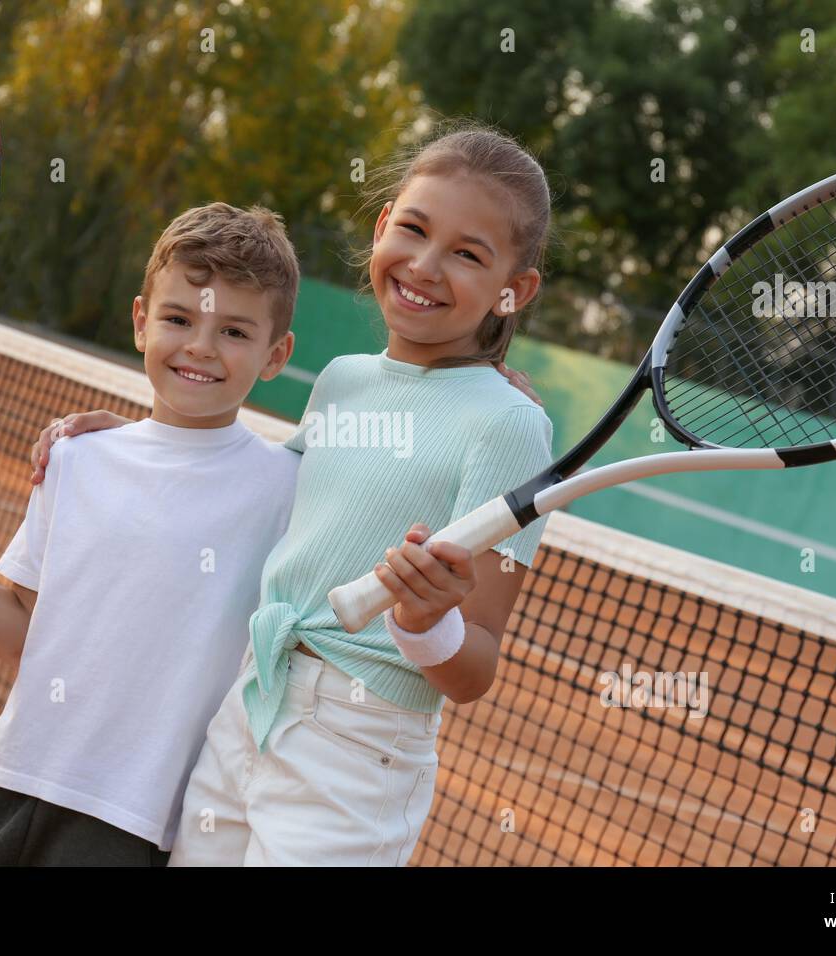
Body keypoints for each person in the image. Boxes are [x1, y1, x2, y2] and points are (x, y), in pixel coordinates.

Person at [32, 120, 557, 866]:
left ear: (516, 290)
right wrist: (142, 436)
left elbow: (474, 668)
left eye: (469, 254)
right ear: (381, 228)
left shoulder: (510, 427)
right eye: (413, 229)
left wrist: (424, 621)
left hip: (359, 747)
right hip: (252, 700)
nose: (427, 265)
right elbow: (260, 487)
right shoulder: (343, 379)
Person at [0, 203, 302, 865]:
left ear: (276, 354)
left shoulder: (288, 490)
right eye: (179, 319)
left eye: (234, 332)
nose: (200, 347)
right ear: (141, 321)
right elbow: (22, 632)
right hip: (8, 779)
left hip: (128, 824)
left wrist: (483, 368)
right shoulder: (75, 458)